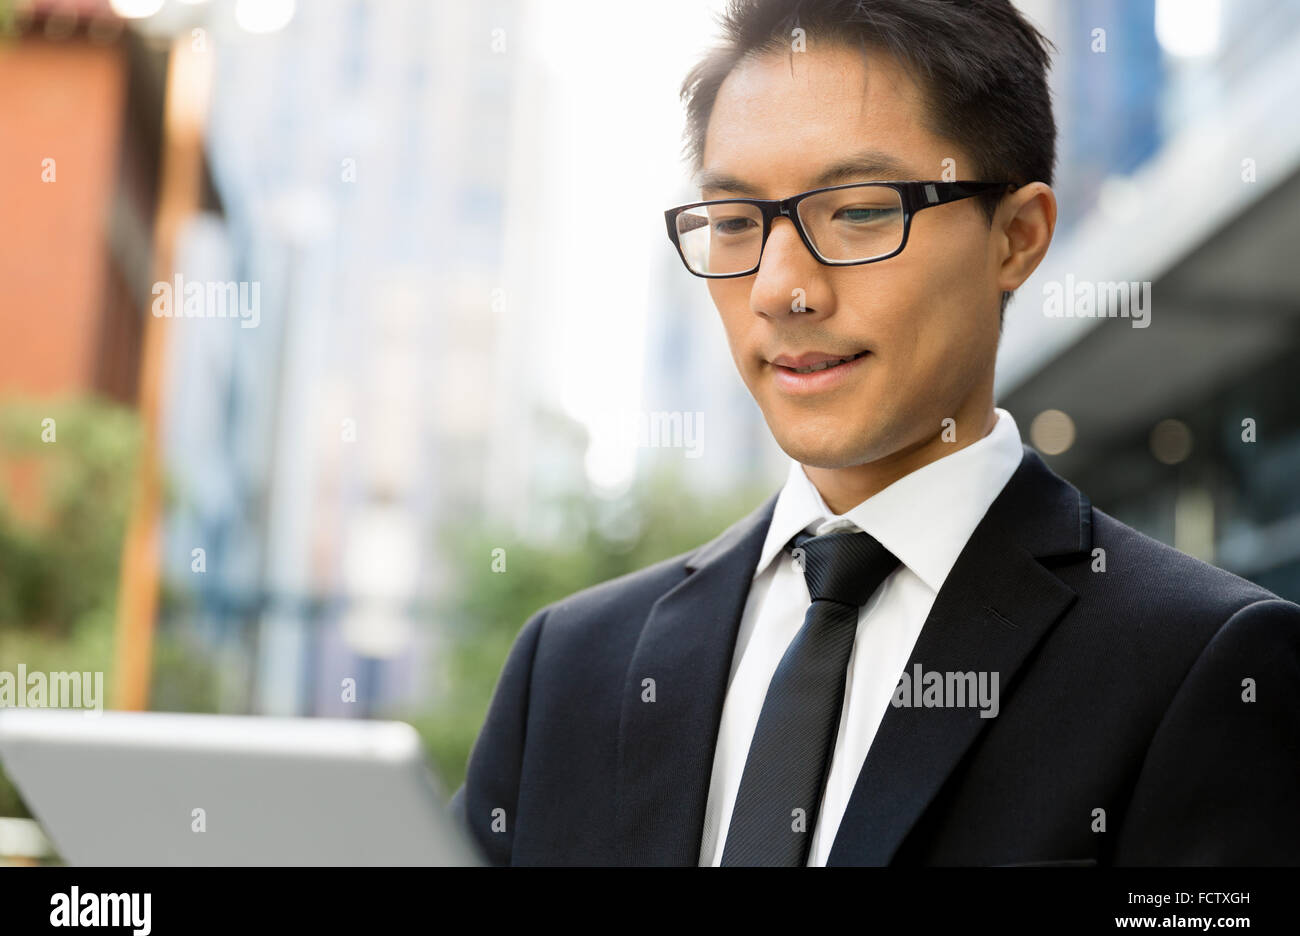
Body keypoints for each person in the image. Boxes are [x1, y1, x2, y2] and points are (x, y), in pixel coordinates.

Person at [449, 0, 1300, 866]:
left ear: (1016, 236)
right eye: (738, 223)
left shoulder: (1201, 666)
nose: (782, 289)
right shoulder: (568, 668)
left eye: (856, 212)